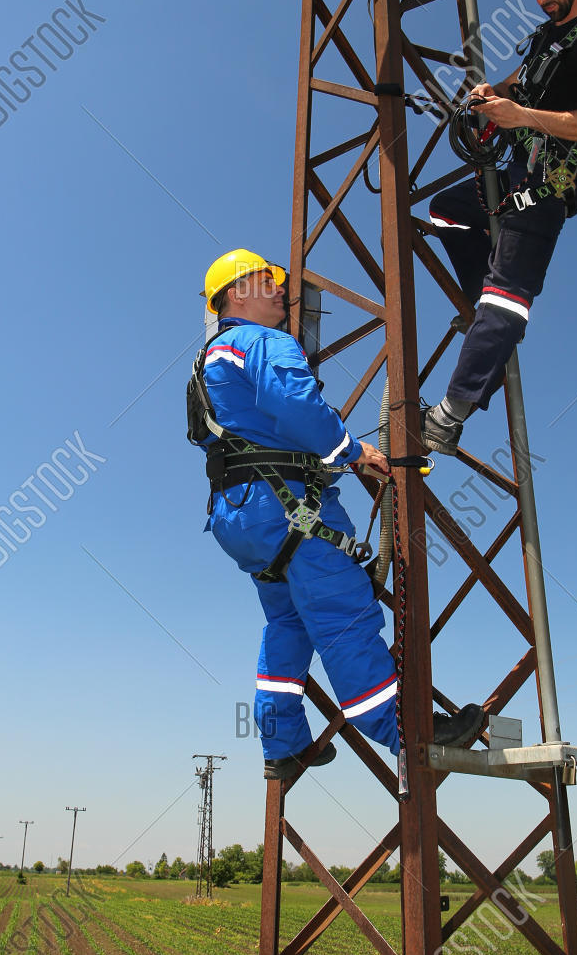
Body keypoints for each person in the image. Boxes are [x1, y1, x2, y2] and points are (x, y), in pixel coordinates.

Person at [188, 249, 486, 780]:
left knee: (287, 623)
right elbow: (298, 405)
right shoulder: (263, 342)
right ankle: (405, 730)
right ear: (236, 294)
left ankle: (283, 746)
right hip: (287, 509)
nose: (281, 290)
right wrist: (352, 451)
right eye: (267, 281)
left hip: (239, 517)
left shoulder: (210, 358)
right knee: (344, 611)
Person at [422, 0, 577, 454]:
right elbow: (521, 79)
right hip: (519, 171)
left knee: (509, 301)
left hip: (553, 183)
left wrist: (521, 116)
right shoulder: (549, 34)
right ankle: (484, 316)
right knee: (445, 211)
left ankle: (450, 413)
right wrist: (494, 92)